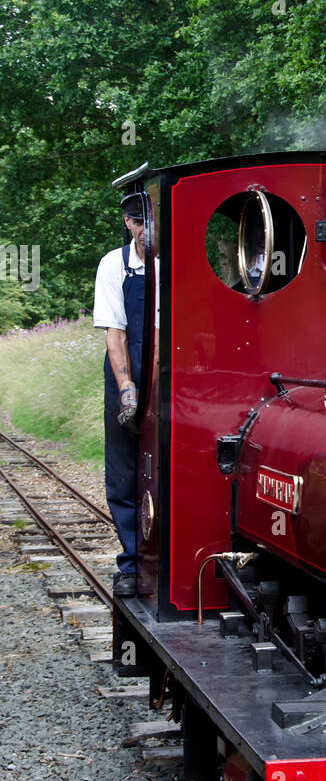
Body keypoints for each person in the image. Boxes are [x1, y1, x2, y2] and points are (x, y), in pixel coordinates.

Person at [92, 191, 147, 596]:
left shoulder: (168, 265)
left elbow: (163, 330)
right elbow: (115, 332)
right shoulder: (114, 264)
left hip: (163, 371)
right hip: (124, 371)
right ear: (128, 223)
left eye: (151, 222)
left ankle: (163, 559)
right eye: (139, 222)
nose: (146, 230)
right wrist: (127, 388)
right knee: (124, 472)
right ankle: (131, 563)